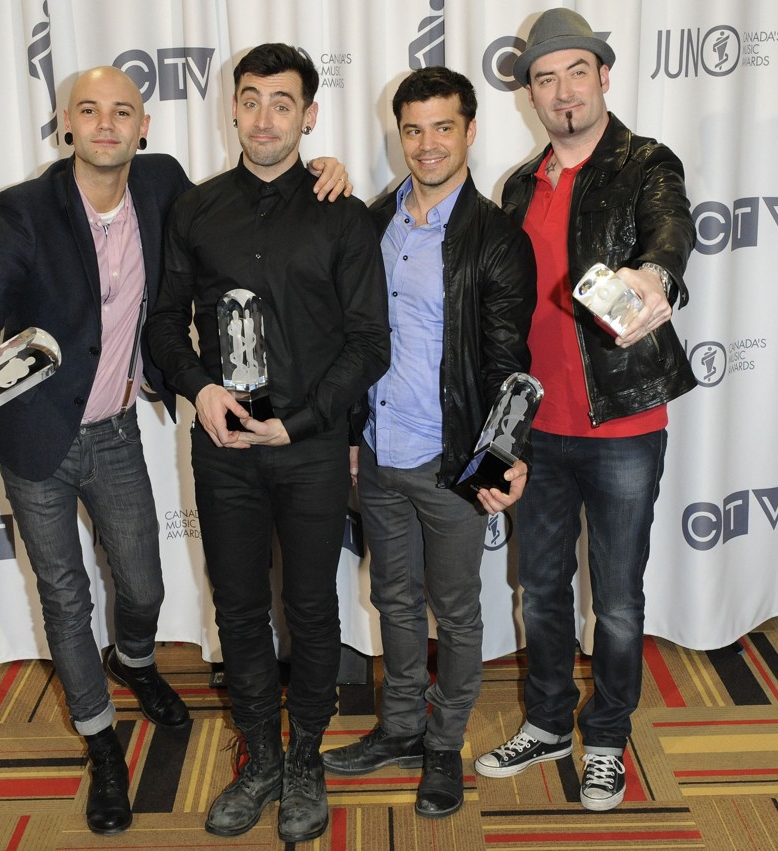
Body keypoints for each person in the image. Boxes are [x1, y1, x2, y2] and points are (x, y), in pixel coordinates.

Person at [0, 65, 350, 836]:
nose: (106, 124)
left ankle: (136, 659)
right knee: (66, 596)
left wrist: (320, 167)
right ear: (67, 124)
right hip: (36, 437)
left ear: (144, 127)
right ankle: (101, 743)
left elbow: (245, 211)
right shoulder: (25, 208)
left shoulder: (164, 184)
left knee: (140, 584)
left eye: (123, 112)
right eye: (89, 110)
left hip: (114, 431)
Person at [145, 43, 390, 843]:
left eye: (282, 103)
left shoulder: (342, 213)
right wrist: (198, 387)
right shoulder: (195, 208)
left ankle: (307, 756)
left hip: (310, 446)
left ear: (310, 115)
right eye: (250, 100)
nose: (264, 118)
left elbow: (369, 342)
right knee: (241, 608)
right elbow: (161, 327)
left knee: (312, 608)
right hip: (224, 444)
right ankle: (260, 758)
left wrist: (307, 419)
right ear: (233, 107)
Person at [472, 9, 697, 812]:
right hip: (537, 430)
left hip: (624, 426)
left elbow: (671, 229)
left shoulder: (646, 163)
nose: (562, 90)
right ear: (529, 92)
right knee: (538, 592)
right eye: (544, 77)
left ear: (603, 77)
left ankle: (606, 737)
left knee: (621, 599)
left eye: (576, 72)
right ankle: (545, 721)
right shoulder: (517, 185)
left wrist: (657, 277)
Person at [320, 67, 536, 819]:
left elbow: (509, 362)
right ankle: (402, 726)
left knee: (458, 610)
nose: (427, 143)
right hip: (379, 454)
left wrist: (502, 456)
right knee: (394, 601)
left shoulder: (498, 238)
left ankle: (444, 744)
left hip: (454, 465)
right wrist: (353, 436)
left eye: (443, 126)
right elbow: (354, 337)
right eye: (413, 129)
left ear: (471, 131)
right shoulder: (375, 220)